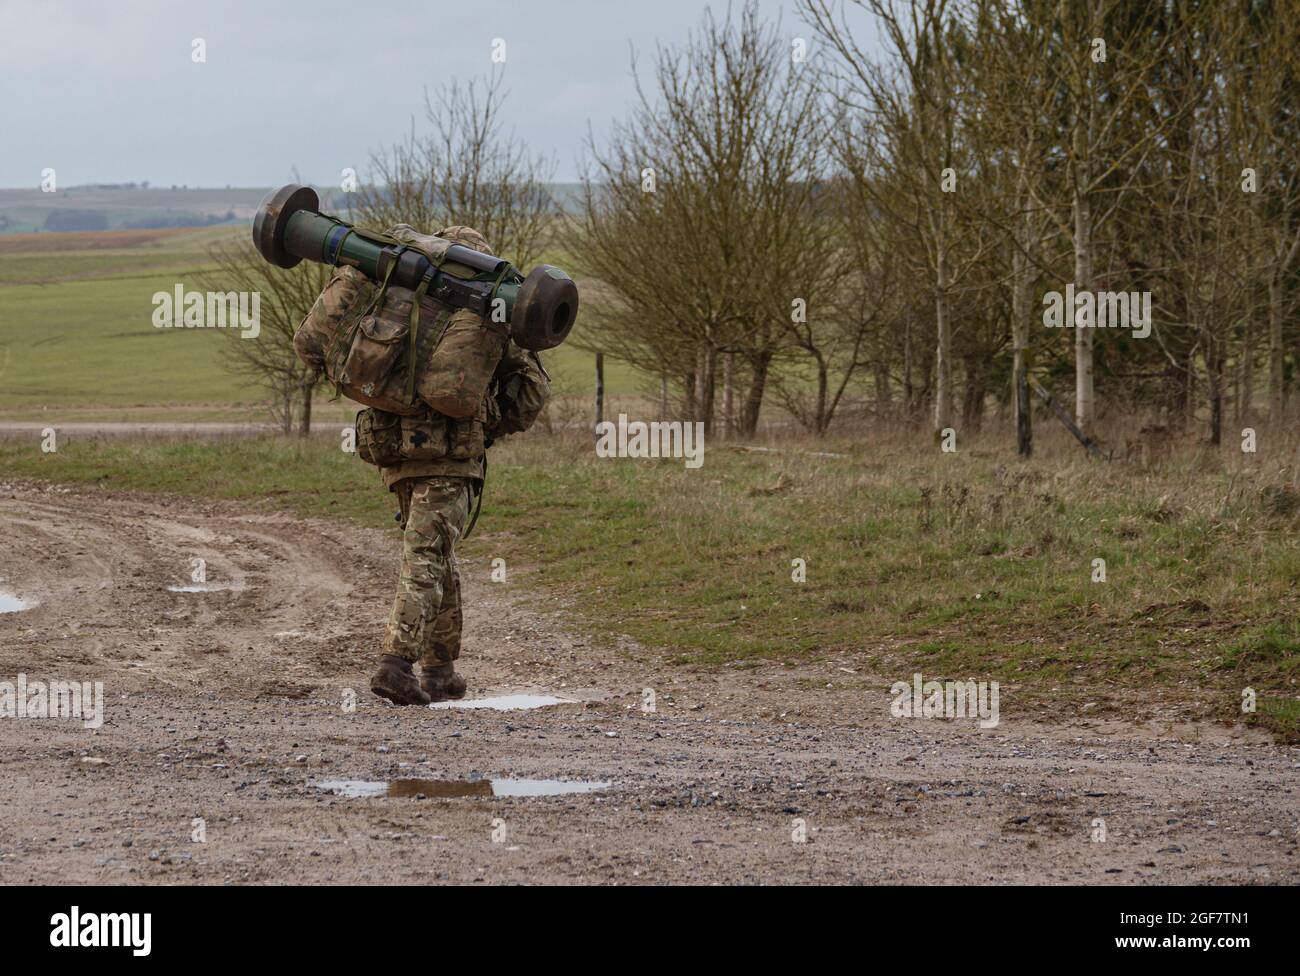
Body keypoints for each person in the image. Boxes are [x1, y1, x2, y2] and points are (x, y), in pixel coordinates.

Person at [364, 225, 550, 705]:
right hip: (450, 460)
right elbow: (530, 397)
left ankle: (440, 669)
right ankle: (395, 664)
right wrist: (492, 422)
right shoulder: (487, 322)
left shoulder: (400, 304)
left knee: (436, 554)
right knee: (426, 556)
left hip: (396, 455)